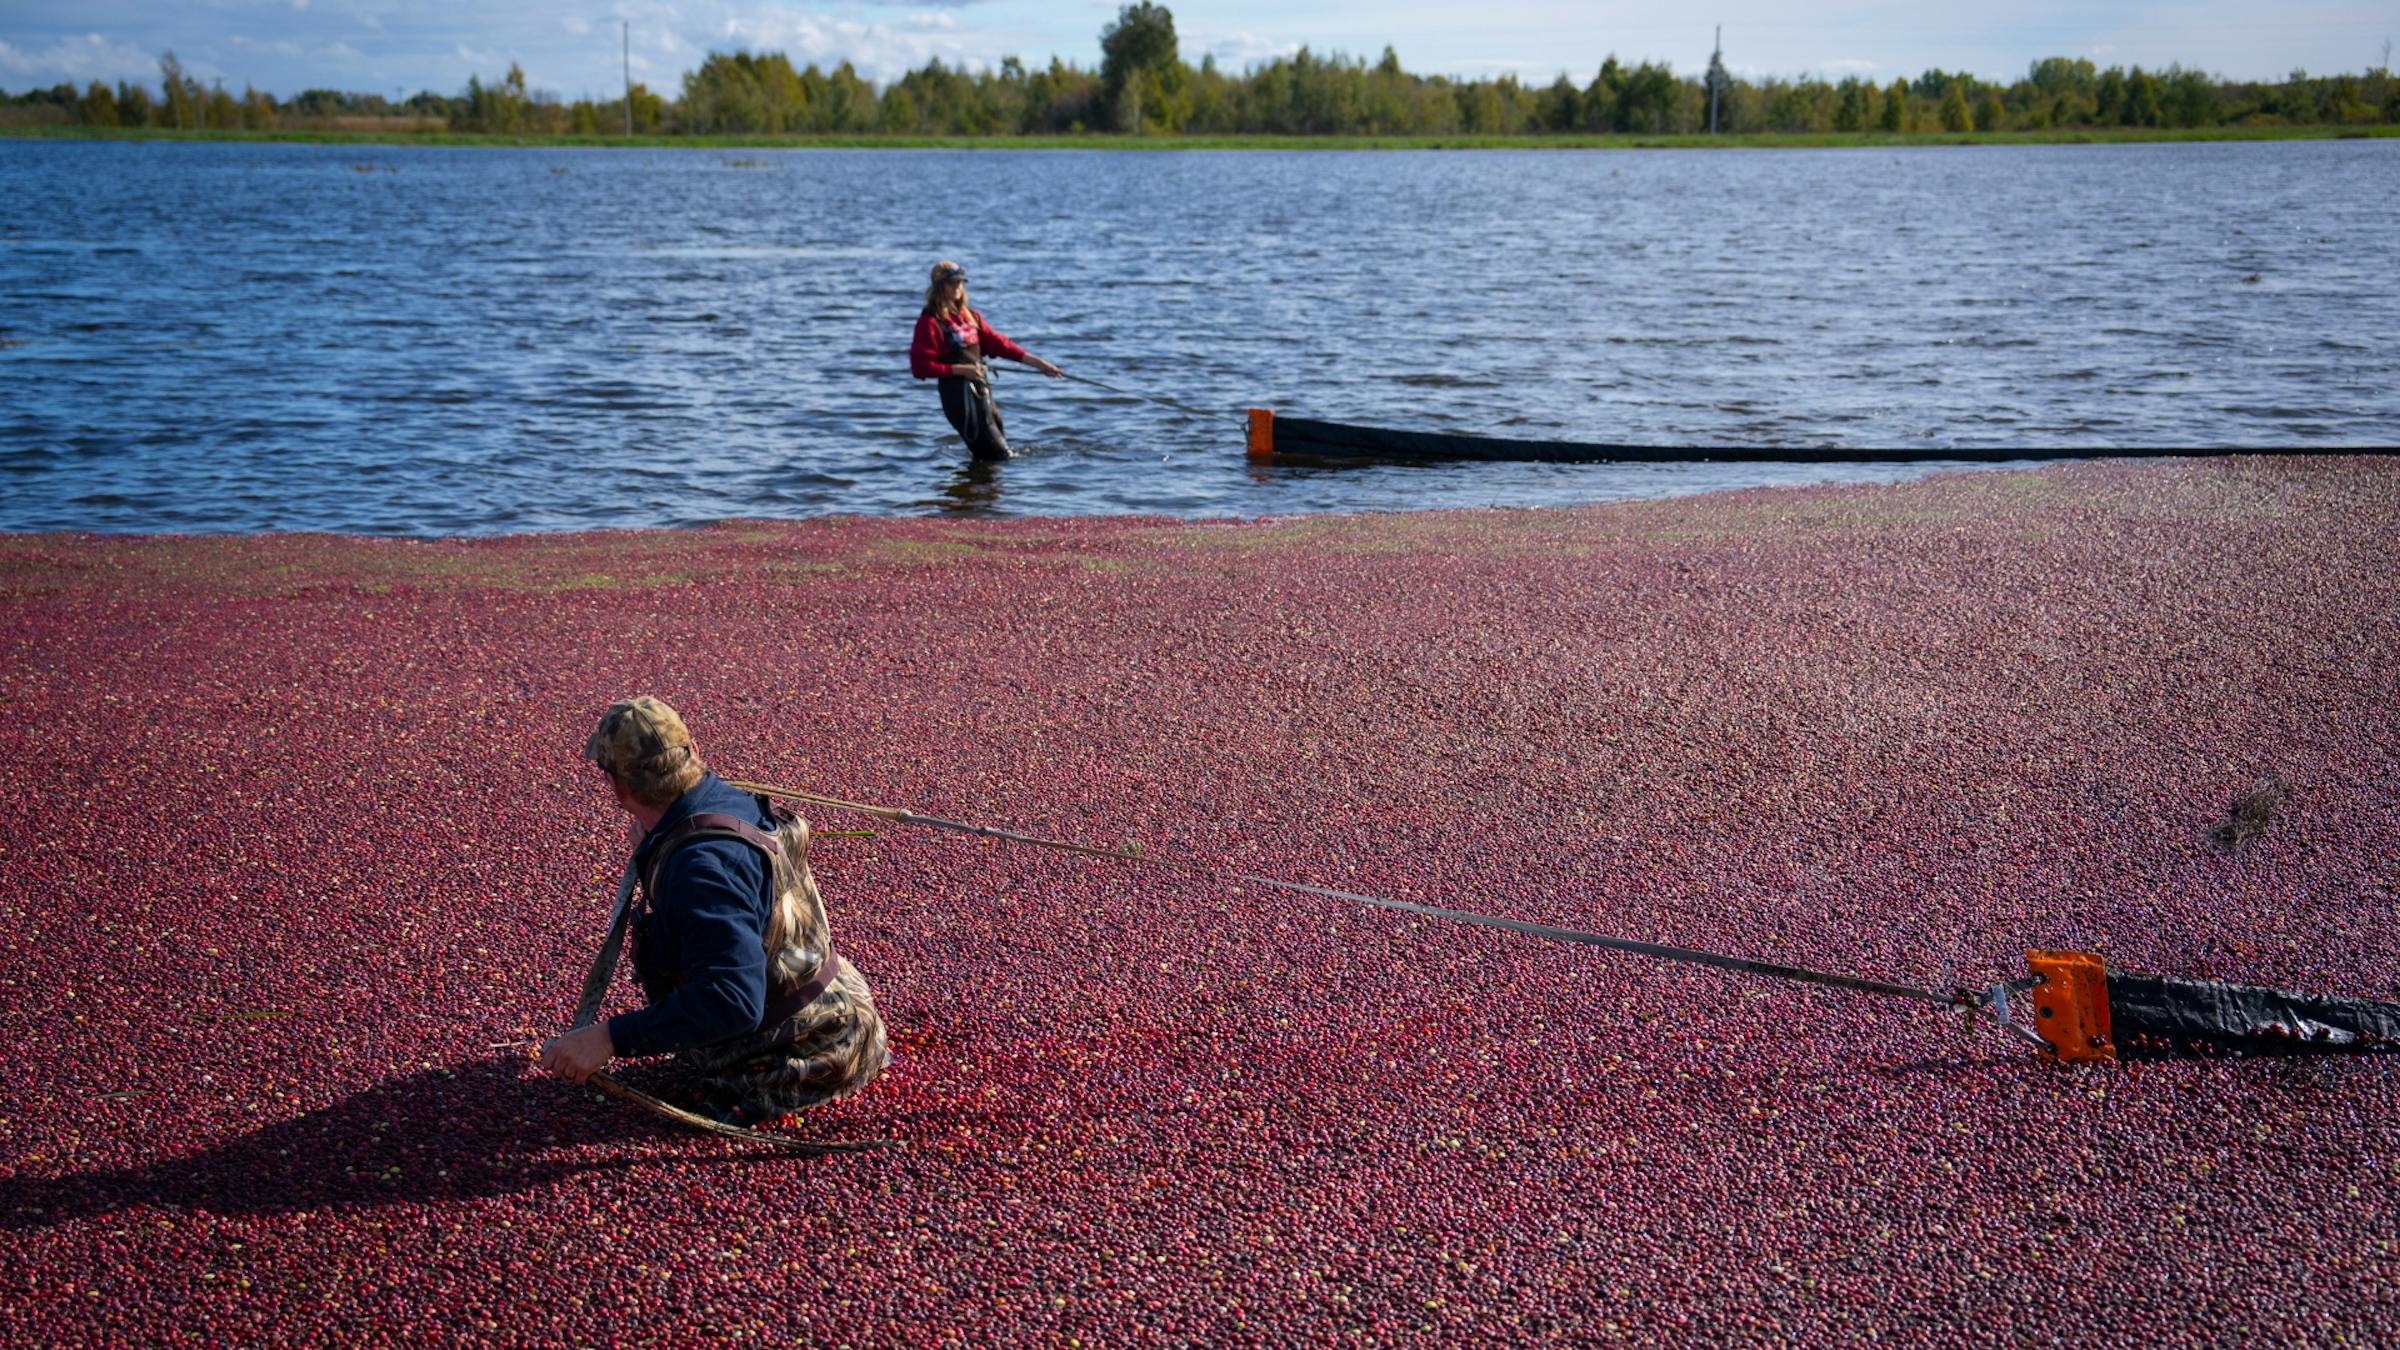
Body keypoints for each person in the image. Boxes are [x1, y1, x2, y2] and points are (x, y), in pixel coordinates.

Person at [539, 697, 889, 1126]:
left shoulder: (700, 871)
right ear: (692, 752)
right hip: (845, 1012)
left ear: (618, 787)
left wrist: (609, 1037)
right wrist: (655, 848)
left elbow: (733, 1002)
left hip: (803, 1061)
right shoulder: (728, 803)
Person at [909, 259, 1062, 461]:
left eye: (960, 282)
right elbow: (920, 368)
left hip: (981, 394)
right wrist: (961, 370)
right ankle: (978, 490)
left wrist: (1039, 364)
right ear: (939, 286)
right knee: (999, 455)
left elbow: (1000, 345)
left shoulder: (971, 317)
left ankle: (980, 491)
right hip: (958, 400)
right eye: (952, 283)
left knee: (996, 453)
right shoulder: (929, 323)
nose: (958, 287)